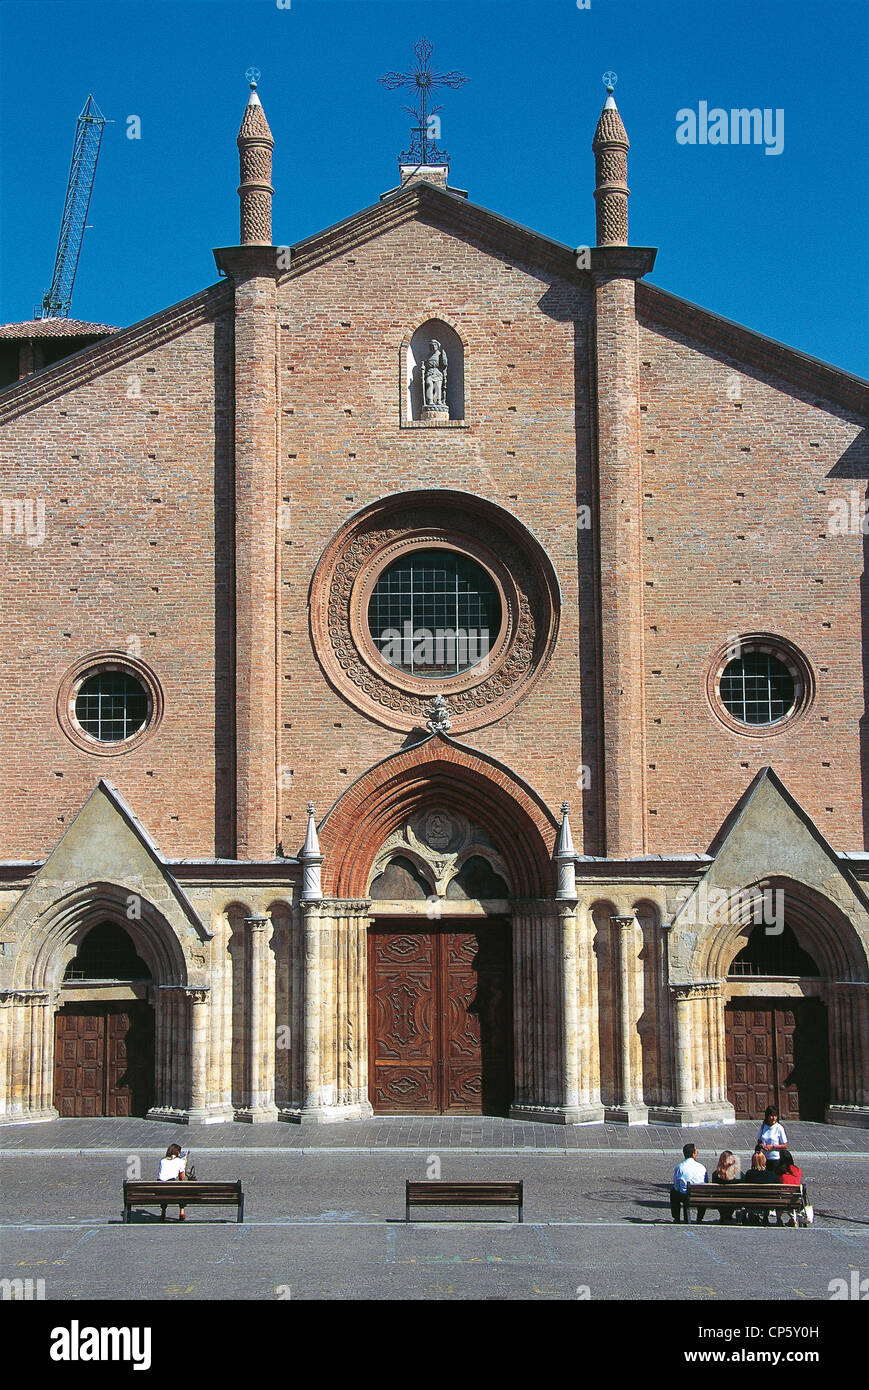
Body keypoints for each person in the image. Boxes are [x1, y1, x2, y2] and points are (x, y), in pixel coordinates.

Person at [670, 1142, 708, 1223]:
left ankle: (676, 1218)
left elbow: (676, 1186)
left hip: (684, 1196)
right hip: (699, 1195)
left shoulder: (680, 1167)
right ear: (693, 1154)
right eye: (696, 1151)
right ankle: (699, 1219)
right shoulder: (702, 1167)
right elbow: (706, 1183)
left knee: (673, 1192)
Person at [158, 1142, 187, 1221]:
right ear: (177, 1152)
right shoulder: (180, 1161)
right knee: (183, 1189)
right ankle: (182, 1212)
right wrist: (184, 1165)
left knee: (164, 1187)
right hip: (171, 1189)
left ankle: (163, 1212)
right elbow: (182, 1178)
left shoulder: (162, 1161)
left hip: (160, 1190)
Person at [757, 1106, 788, 1172]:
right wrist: (761, 1145)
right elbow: (759, 1140)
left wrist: (773, 1147)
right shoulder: (763, 1126)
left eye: (775, 1116)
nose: (773, 1118)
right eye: (771, 1116)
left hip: (774, 1159)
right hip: (764, 1158)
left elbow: (785, 1145)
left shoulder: (779, 1128)